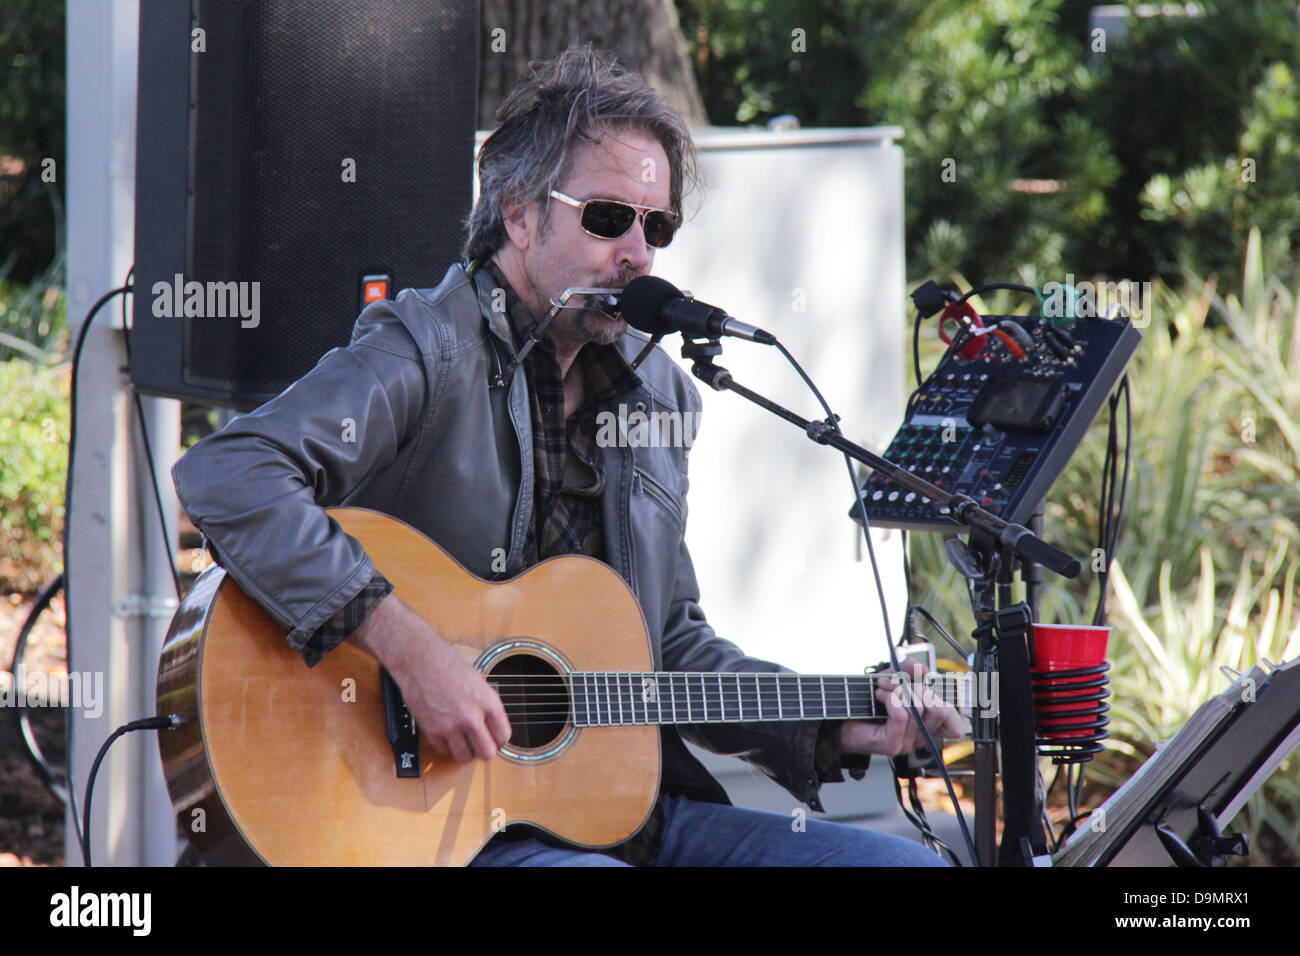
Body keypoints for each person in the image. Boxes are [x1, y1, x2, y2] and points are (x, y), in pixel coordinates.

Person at [171, 44, 966, 867]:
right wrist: (412, 651)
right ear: (519, 216)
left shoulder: (660, 398)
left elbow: (667, 646)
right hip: (421, 822)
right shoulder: (427, 349)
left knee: (904, 866)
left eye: (657, 226)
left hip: (617, 813)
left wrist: (836, 723)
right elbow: (229, 473)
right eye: (608, 218)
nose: (640, 254)